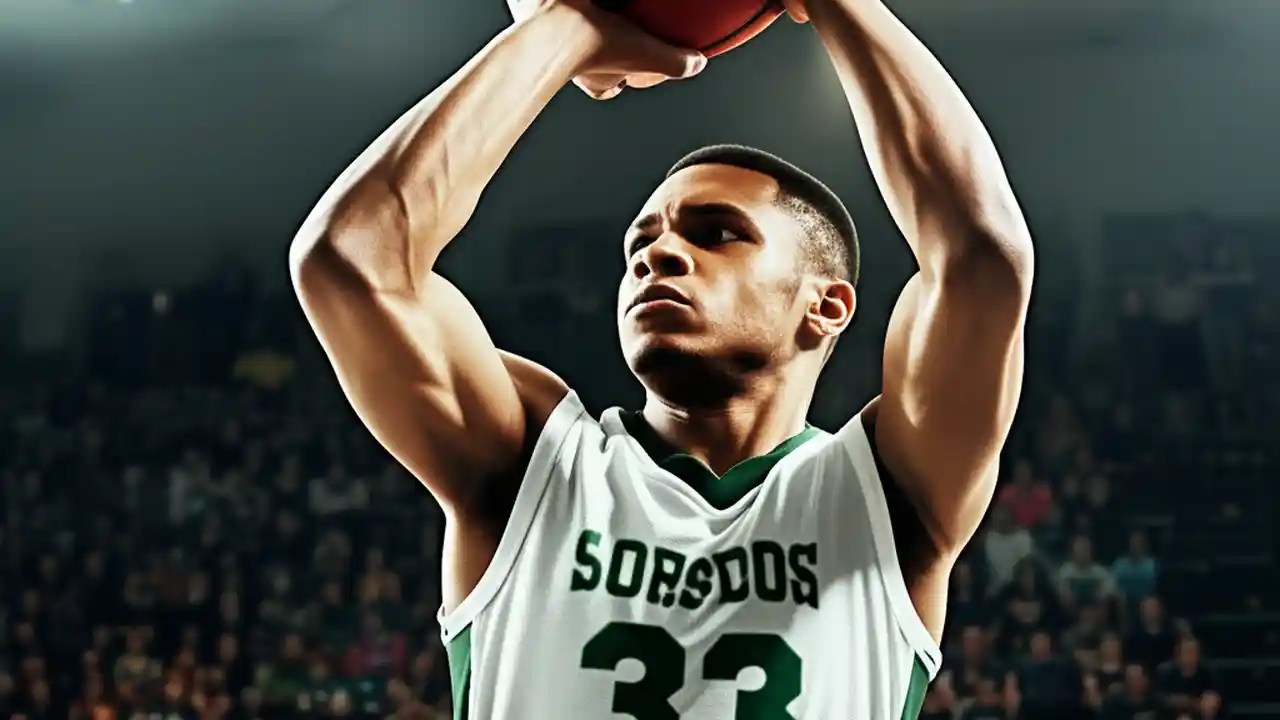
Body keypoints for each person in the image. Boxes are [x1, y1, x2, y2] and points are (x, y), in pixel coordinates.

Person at [289, 0, 1033, 716]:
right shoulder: (531, 460)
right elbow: (350, 258)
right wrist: (567, 26)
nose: (659, 256)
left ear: (826, 306)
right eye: (640, 244)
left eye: (716, 233)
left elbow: (983, 260)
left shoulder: (889, 493)